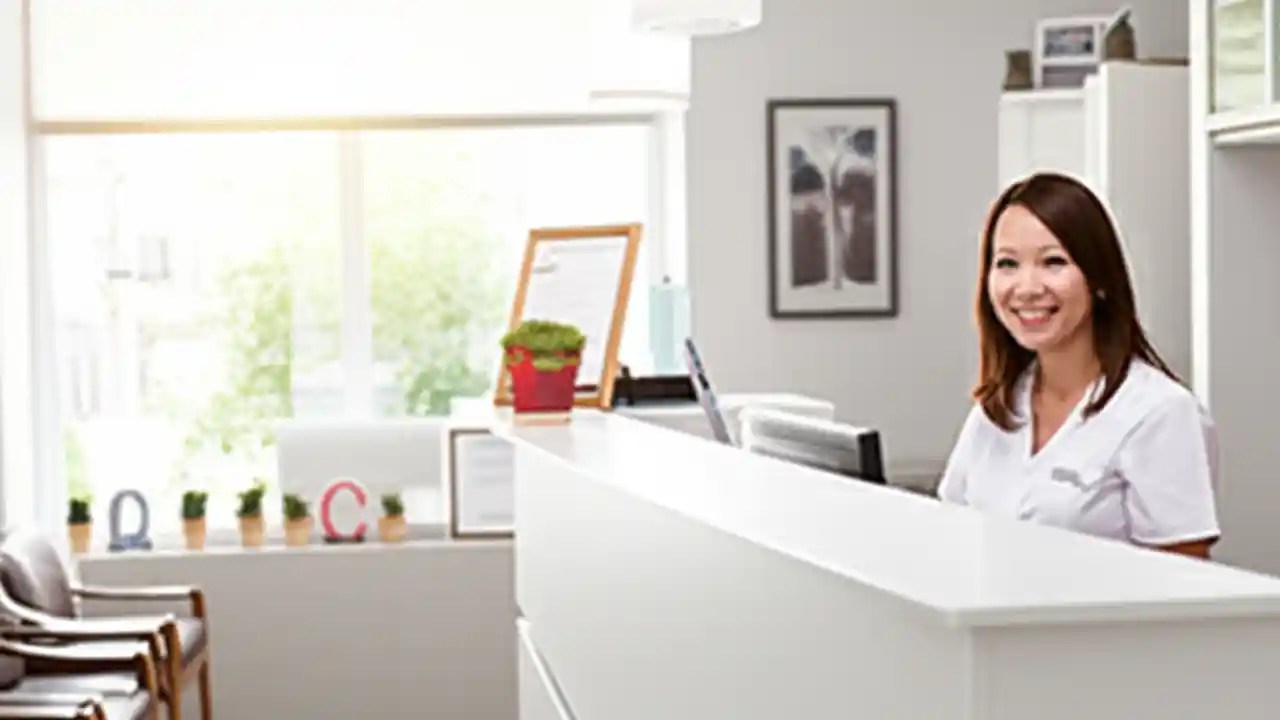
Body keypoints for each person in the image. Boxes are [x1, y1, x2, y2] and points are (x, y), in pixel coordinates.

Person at [937, 172, 1220, 559]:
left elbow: (1186, 590)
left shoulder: (1160, 413)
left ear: (1098, 278)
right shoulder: (996, 408)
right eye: (1007, 263)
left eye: (1053, 262)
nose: (1027, 287)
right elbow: (949, 538)